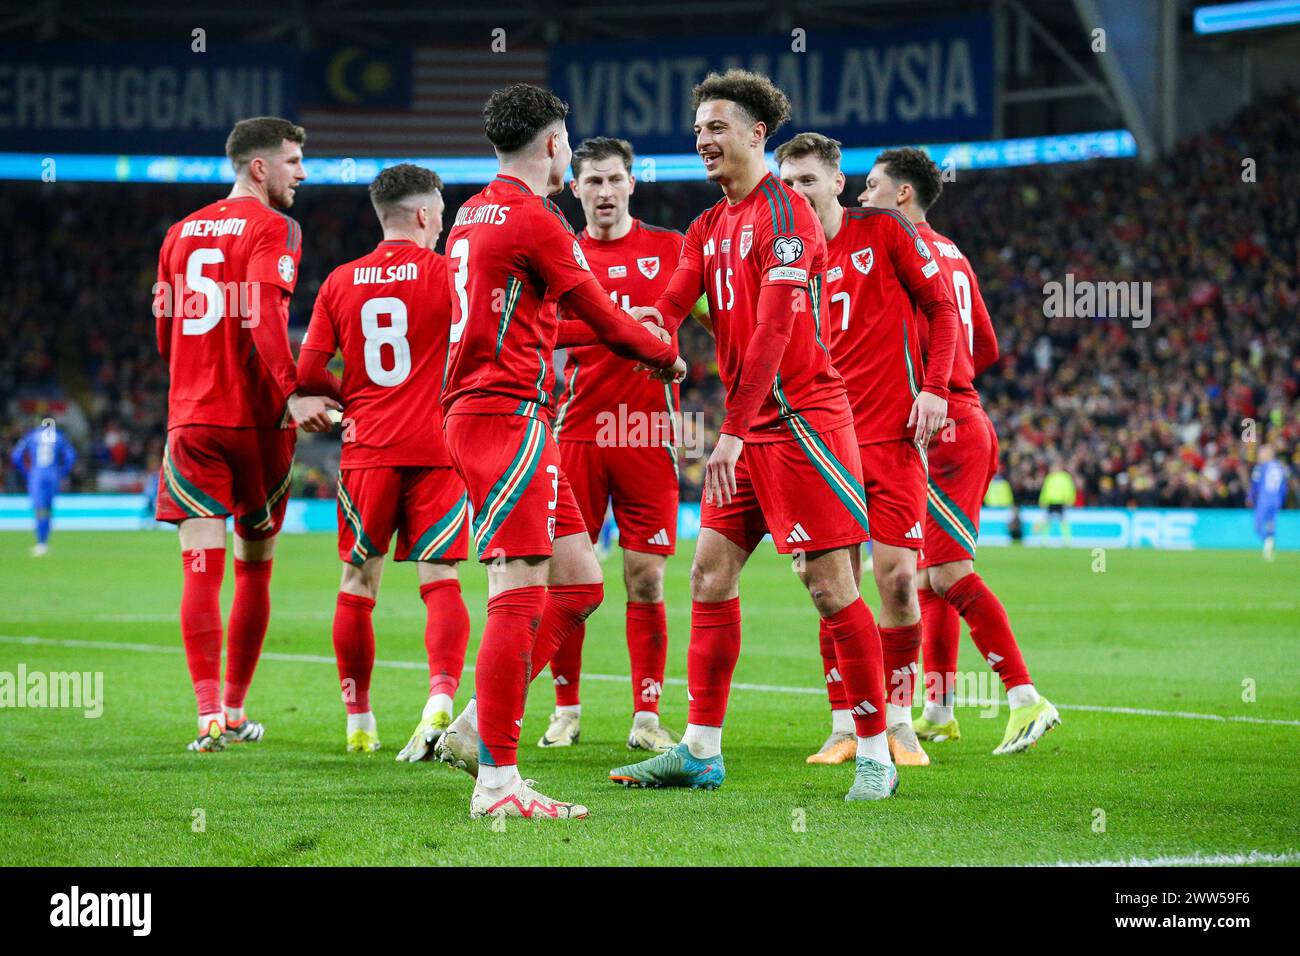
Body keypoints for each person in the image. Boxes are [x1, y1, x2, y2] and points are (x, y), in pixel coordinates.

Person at [608, 70, 900, 802]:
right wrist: (644, 328)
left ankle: (875, 750)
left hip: (802, 424)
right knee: (708, 574)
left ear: (755, 134)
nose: (702, 139)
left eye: (716, 127)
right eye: (698, 128)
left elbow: (773, 331)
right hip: (747, 429)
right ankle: (701, 750)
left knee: (830, 586)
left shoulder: (788, 215)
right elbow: (672, 300)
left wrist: (733, 429)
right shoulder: (709, 226)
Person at [433, 83, 685, 821]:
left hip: (506, 414)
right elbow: (602, 318)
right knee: (519, 585)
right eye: (571, 144)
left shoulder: (473, 212)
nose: (574, 153)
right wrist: (661, 353)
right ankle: (497, 782)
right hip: (503, 415)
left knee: (578, 581)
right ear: (553, 146)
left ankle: (480, 726)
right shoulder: (536, 219)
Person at [153, 116, 339, 752]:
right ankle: (233, 707)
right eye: (292, 161)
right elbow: (262, 308)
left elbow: (164, 331)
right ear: (259, 168)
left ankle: (207, 714)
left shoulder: (177, 234)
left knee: (198, 567)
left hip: (192, 416)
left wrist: (190, 385)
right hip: (257, 421)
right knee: (254, 564)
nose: (302, 172)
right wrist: (292, 391)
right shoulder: (274, 226)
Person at [864, 146, 1059, 754]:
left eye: (871, 186)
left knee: (947, 572)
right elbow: (988, 346)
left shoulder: (895, 253)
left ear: (903, 195)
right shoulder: (953, 255)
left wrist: (933, 388)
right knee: (926, 575)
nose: (861, 196)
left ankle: (1026, 697)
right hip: (959, 416)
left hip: (941, 428)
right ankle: (941, 708)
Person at [777, 133, 959, 769]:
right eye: (787, 182)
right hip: (817, 439)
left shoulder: (884, 232)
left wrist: (936, 390)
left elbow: (943, 308)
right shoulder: (780, 252)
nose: (795, 192)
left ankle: (903, 720)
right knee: (831, 584)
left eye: (807, 180)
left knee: (900, 580)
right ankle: (845, 723)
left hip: (890, 436)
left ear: (835, 183)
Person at [297, 163, 472, 756]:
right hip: (437, 450)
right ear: (425, 214)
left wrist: (351, 404)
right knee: (440, 578)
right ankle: (440, 699)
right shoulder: (451, 276)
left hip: (367, 450)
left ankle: (359, 720)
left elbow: (309, 374)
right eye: (441, 215)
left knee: (357, 580)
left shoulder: (340, 282)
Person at [541, 136, 705, 754]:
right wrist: (622, 330)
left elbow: (719, 315)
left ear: (632, 183)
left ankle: (645, 717)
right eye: (593, 182)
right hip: (577, 435)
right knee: (569, 586)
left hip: (649, 437)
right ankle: (566, 710)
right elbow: (541, 330)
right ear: (575, 188)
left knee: (646, 579)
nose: (604, 192)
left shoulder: (670, 250)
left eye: (615, 180)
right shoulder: (562, 254)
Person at [11, 418, 76, 556]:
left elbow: (16, 456)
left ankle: (40, 543)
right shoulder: (59, 436)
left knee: (39, 509)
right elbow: (71, 456)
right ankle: (45, 540)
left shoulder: (31, 436)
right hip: (52, 475)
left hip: (37, 475)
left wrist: (27, 472)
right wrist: (62, 473)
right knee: (48, 508)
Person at [1249, 445, 1289, 561]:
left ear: (1267, 455)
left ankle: (1267, 541)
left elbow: (1255, 484)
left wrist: (1250, 497)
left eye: (1260, 454)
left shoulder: (1261, 467)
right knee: (1271, 524)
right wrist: (1282, 499)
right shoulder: (1281, 467)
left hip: (1264, 500)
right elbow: (1284, 488)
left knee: (1257, 526)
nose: (1259, 456)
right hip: (1276, 500)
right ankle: (1269, 550)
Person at [1037, 458, 1076, 546]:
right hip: (1051, 501)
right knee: (1047, 522)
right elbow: (1045, 490)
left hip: (1061, 502)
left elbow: (1069, 489)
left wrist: (1070, 500)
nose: (1053, 468)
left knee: (1063, 522)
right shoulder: (1049, 477)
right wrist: (1042, 500)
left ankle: (1067, 540)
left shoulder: (1065, 477)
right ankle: (1044, 540)